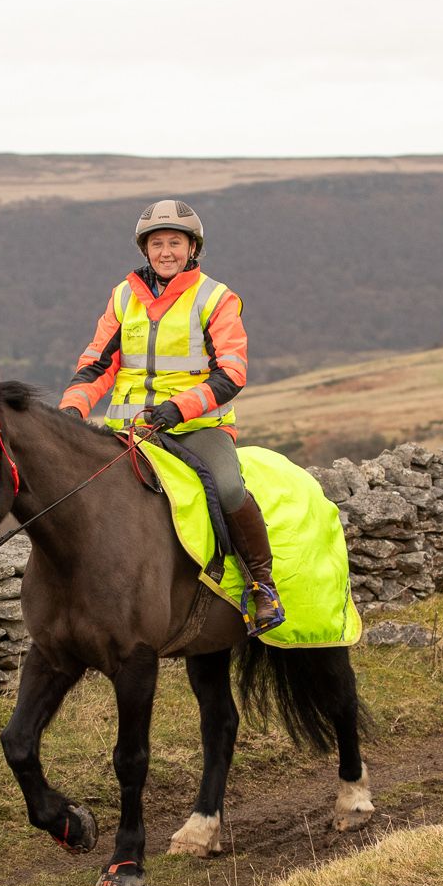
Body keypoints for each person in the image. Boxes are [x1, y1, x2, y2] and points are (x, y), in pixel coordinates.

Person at [58, 199, 285, 634]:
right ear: (145, 250)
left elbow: (232, 372)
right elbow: (98, 364)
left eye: (175, 243)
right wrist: (72, 409)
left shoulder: (216, 298)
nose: (166, 252)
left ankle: (262, 585)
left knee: (229, 486)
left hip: (197, 428)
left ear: (192, 248)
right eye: (157, 243)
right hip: (130, 431)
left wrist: (178, 408)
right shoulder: (123, 297)